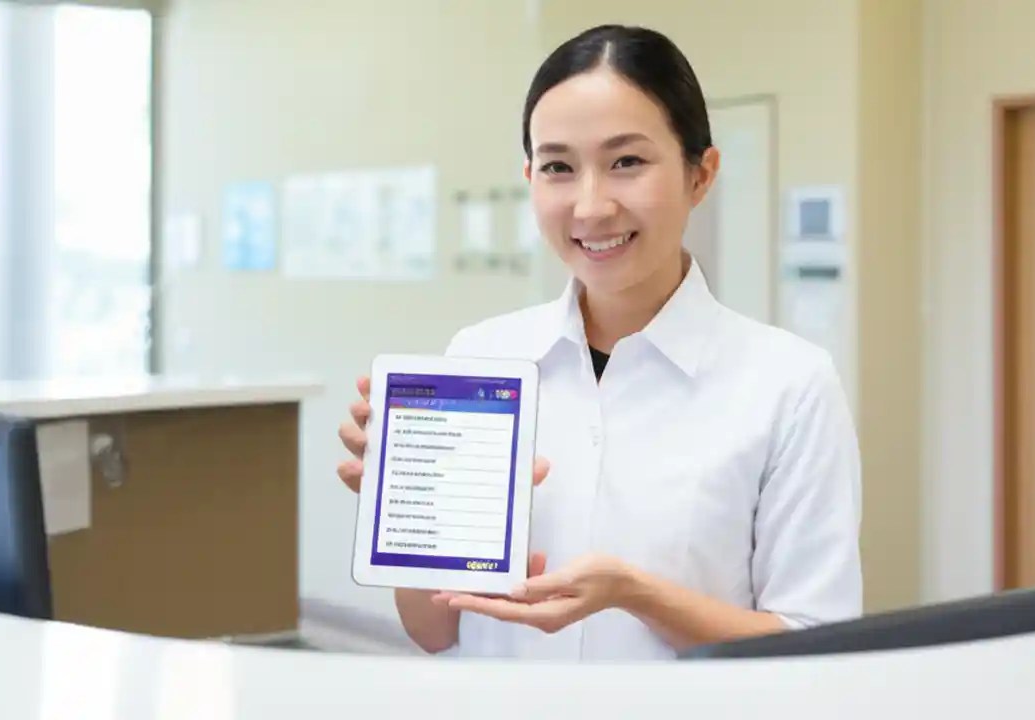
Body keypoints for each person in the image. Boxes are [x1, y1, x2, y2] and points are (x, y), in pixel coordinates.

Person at [337, 23, 862, 662]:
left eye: (627, 162)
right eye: (558, 167)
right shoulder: (482, 357)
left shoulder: (788, 385)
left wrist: (633, 592)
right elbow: (434, 631)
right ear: (530, 177)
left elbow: (816, 646)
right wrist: (408, 512)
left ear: (702, 174)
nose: (590, 207)